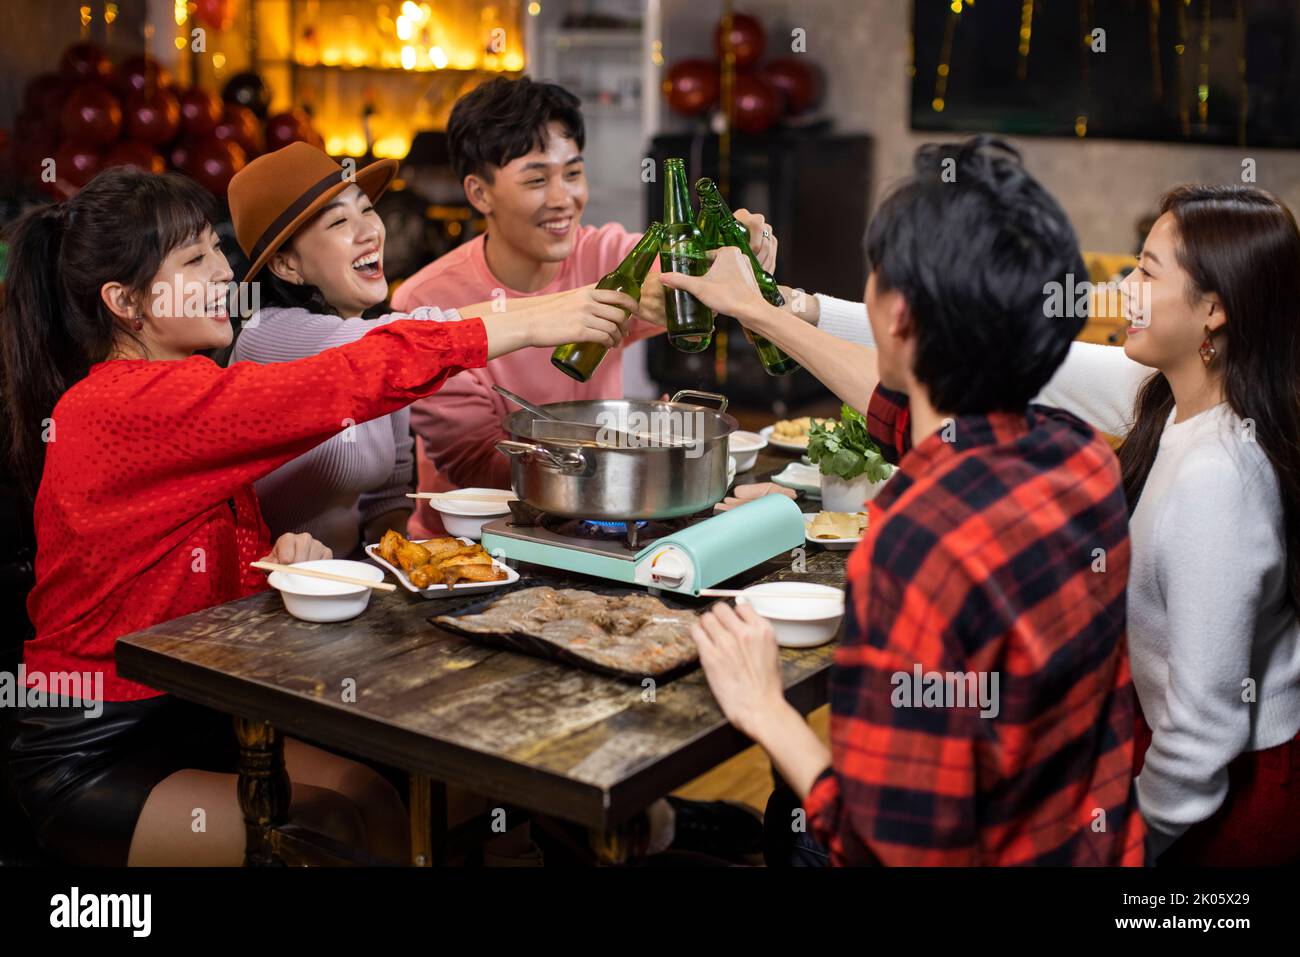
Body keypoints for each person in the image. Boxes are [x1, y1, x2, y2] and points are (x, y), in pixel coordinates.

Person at [0, 167, 628, 866]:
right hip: (100, 745)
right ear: (123, 301)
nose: (223, 275)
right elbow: (347, 377)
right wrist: (528, 320)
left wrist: (271, 560)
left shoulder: (190, 384)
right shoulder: (118, 405)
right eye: (193, 260)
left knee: (371, 798)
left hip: (197, 706)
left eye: (217, 250)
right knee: (323, 832)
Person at [689, 178, 1300, 867]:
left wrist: (768, 710)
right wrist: (778, 308)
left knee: (789, 829)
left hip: (1217, 813)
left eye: (1146, 271)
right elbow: (955, 374)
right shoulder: (1135, 417)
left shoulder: (1217, 475)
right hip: (1107, 788)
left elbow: (894, 846)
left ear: (1213, 309)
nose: (1123, 289)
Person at [662, 137, 1147, 865]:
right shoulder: (1080, 456)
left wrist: (766, 709)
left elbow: (891, 849)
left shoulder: (914, 544)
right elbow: (907, 417)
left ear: (895, 315)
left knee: (773, 824)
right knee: (779, 810)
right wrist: (760, 309)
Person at [391, 76, 776, 534]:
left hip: (602, 520)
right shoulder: (426, 302)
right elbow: (477, 463)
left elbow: (695, 273)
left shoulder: (606, 255)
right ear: (479, 194)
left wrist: (743, 249)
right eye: (536, 179)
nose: (563, 200)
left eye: (573, 174)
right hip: (474, 545)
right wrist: (624, 468)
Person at [227, 142, 635, 558]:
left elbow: (386, 497)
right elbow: (405, 345)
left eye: (367, 210)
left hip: (350, 580)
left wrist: (409, 561)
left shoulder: (378, 340)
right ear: (286, 265)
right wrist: (541, 318)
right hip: (269, 590)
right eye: (338, 223)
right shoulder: (267, 335)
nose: (371, 232)